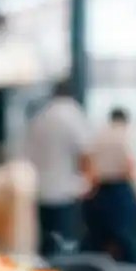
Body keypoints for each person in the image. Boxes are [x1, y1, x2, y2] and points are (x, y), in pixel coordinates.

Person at [25, 81, 89, 257]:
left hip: (40, 192)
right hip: (65, 193)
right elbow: (85, 153)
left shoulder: (40, 117)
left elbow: (29, 157)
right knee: (65, 247)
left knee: (46, 247)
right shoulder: (71, 114)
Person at [83, 108, 136, 263]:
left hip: (99, 192)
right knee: (126, 239)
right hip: (119, 190)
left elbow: (88, 165)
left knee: (98, 240)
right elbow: (130, 167)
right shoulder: (124, 136)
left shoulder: (98, 136)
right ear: (125, 120)